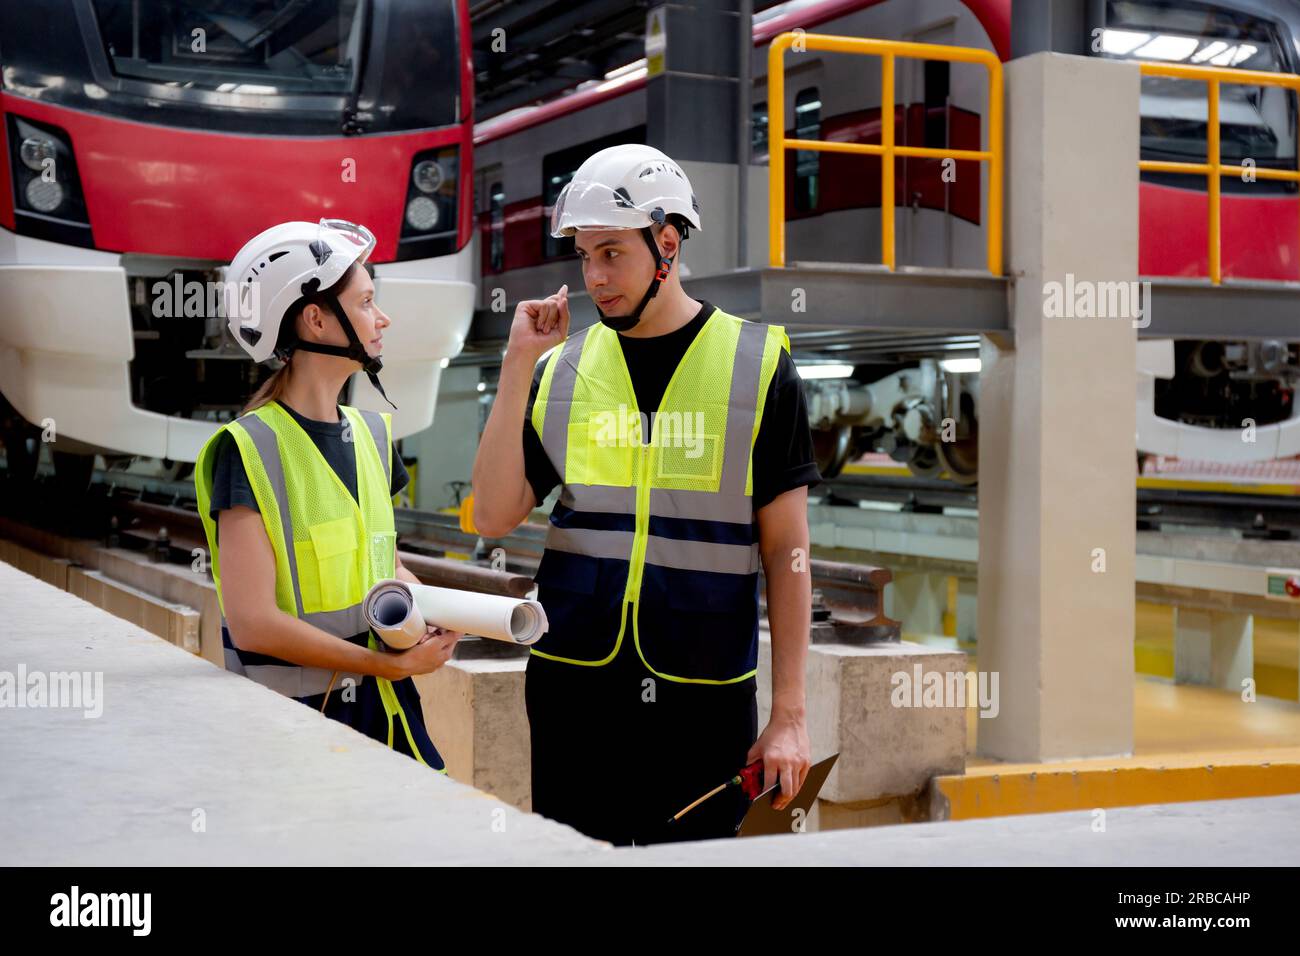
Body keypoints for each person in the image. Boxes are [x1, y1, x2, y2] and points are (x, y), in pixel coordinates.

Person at [472, 145, 820, 844]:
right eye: (584, 256)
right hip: (574, 685)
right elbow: (492, 513)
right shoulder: (562, 369)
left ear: (666, 245)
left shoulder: (758, 367)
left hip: (703, 693)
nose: (595, 278)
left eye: (611, 254)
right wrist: (517, 365)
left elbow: (787, 552)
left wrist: (789, 715)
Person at [194, 219, 462, 769]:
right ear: (316, 319)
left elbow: (379, 562)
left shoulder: (373, 435)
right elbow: (253, 622)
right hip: (296, 729)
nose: (382, 317)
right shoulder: (248, 449)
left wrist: (431, 607)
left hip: (385, 712)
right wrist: (383, 665)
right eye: (366, 302)